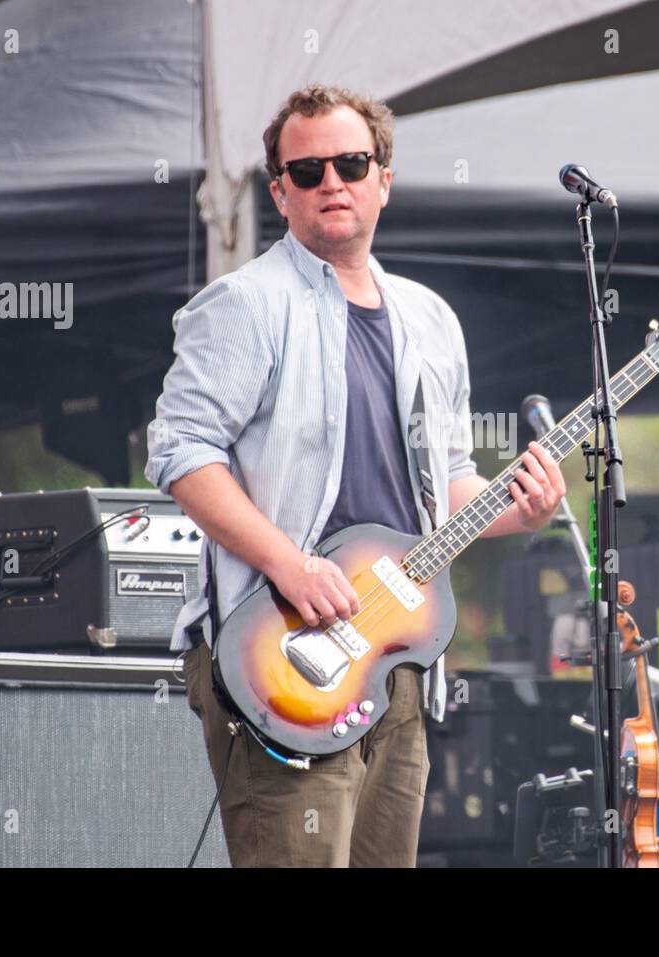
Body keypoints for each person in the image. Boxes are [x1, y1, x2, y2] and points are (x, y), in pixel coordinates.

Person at [145, 84, 566, 867]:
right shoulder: (243, 304)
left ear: (384, 179)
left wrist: (522, 508)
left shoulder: (432, 320)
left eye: (350, 162)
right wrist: (289, 564)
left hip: (395, 663)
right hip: (279, 650)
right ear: (278, 193)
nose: (331, 182)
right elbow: (181, 452)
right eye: (306, 171)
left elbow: (447, 486)